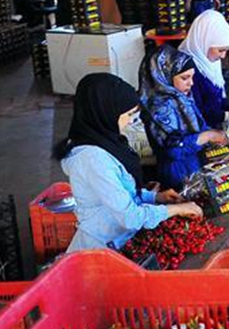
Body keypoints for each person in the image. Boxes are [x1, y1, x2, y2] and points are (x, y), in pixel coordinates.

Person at [54, 73, 203, 253]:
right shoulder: (93, 159)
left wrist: (155, 197)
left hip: (121, 242)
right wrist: (176, 209)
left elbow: (122, 193)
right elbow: (131, 217)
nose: (132, 121)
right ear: (105, 113)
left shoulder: (106, 142)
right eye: (129, 114)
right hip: (102, 250)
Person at [140, 46, 229, 191]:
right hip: (178, 175)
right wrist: (207, 136)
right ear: (165, 76)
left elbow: (199, 125)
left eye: (191, 77)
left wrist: (215, 137)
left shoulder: (182, 98)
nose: (191, 83)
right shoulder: (159, 107)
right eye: (184, 78)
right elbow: (174, 149)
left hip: (194, 166)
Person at [181, 10, 229, 130]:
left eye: (226, 50)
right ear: (204, 41)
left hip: (215, 131)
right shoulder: (186, 69)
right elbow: (198, 111)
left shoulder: (209, 61)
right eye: (220, 50)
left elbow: (218, 97)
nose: (223, 56)